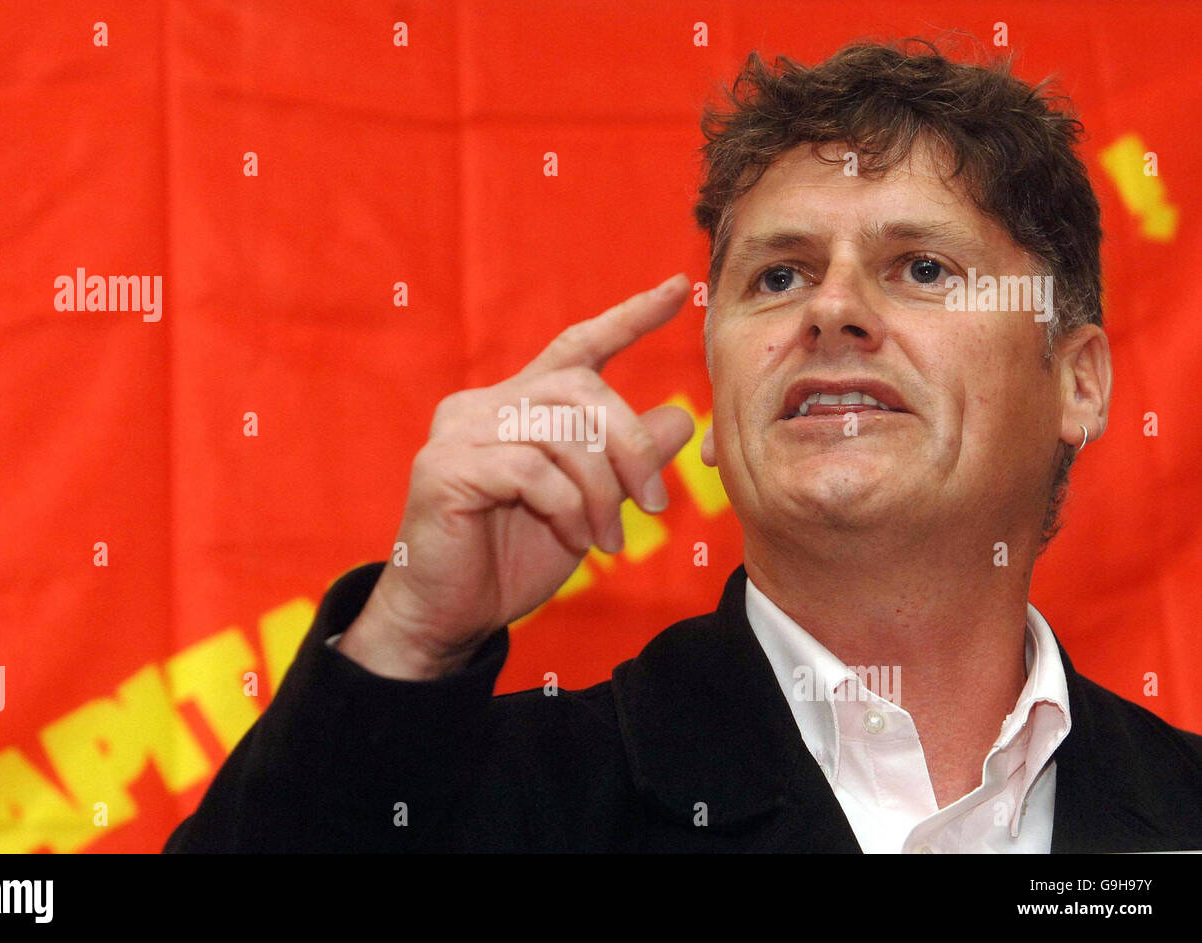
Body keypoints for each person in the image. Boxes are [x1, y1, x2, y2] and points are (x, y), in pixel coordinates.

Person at [164, 40, 1202, 853]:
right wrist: (408, 640)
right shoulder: (482, 801)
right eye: (778, 276)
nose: (832, 308)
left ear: (1079, 380)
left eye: (921, 267)